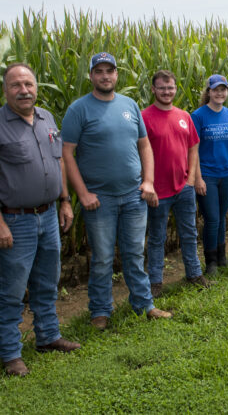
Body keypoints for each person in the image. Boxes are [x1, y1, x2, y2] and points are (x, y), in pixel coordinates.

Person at [0, 64, 80, 378]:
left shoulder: (46, 117)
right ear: (5, 90)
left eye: (29, 83)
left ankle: (48, 336)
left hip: (48, 214)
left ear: (36, 86)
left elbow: (58, 161)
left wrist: (64, 200)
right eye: (16, 85)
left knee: (47, 282)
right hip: (16, 221)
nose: (24, 90)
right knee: (13, 290)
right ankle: (10, 354)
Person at [61, 52, 170, 331]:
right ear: (91, 76)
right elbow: (67, 154)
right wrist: (82, 194)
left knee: (135, 253)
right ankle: (100, 311)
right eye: (99, 71)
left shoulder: (130, 105)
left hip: (134, 195)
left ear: (117, 75)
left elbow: (144, 145)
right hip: (100, 199)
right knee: (102, 258)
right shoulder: (79, 109)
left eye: (110, 70)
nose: (105, 76)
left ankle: (144, 304)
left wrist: (148, 181)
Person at [142, 70, 212, 292]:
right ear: (153, 89)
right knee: (157, 237)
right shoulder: (144, 118)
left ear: (175, 89)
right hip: (157, 191)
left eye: (170, 87)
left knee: (189, 232)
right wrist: (147, 184)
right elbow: (138, 152)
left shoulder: (184, 116)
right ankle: (155, 282)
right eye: (161, 87)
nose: (166, 91)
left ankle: (194, 273)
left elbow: (193, 147)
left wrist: (191, 179)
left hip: (184, 188)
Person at [192, 74, 228, 274]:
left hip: (227, 173)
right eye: (215, 89)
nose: (220, 93)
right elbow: (193, 149)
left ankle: (222, 257)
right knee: (212, 218)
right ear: (209, 92)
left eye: (223, 89)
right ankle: (211, 261)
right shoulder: (198, 115)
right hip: (207, 175)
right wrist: (198, 178)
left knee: (221, 217)